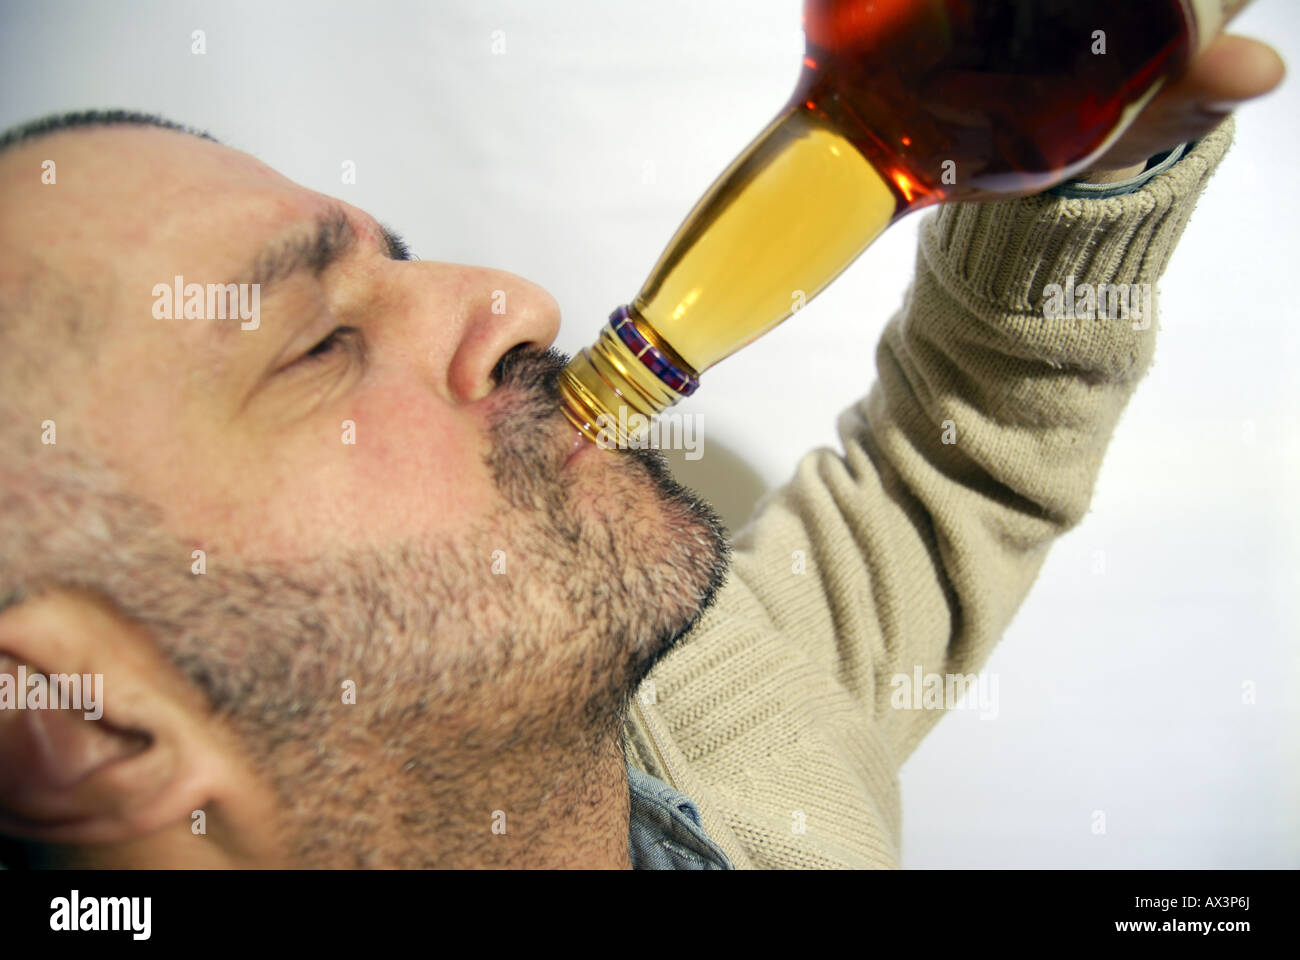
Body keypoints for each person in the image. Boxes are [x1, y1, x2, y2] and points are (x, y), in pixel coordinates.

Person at [0, 26, 1283, 868]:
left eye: (400, 259)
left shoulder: (726, 702)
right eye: (321, 343)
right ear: (81, 729)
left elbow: (951, 471)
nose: (519, 301)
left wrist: (1085, 163)